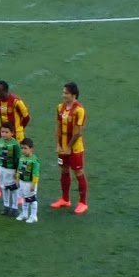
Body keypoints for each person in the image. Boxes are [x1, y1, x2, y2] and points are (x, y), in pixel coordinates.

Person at [49, 82, 88, 214]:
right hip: (63, 147)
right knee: (64, 171)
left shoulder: (79, 110)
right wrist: (58, 144)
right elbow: (58, 127)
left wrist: (69, 147)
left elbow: (78, 132)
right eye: (63, 92)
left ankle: (83, 202)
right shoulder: (60, 108)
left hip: (75, 148)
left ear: (74, 95)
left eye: (66, 93)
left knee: (78, 173)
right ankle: (65, 199)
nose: (63, 95)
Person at [0, 125, 21, 216]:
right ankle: (6, 206)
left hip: (11, 170)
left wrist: (17, 172)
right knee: (3, 187)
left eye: (6, 132)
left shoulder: (15, 144)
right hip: (2, 169)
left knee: (13, 188)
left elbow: (18, 159)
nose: (4, 134)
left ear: (12, 133)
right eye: (2, 132)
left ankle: (15, 207)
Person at [15, 137, 40, 224]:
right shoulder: (21, 158)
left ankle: (33, 216)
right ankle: (24, 214)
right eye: (22, 148)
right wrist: (17, 179)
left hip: (29, 183)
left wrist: (33, 184)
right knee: (24, 198)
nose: (23, 150)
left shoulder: (34, 161)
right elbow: (18, 169)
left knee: (32, 199)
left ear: (31, 149)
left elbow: (36, 174)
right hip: (22, 182)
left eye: (25, 148)